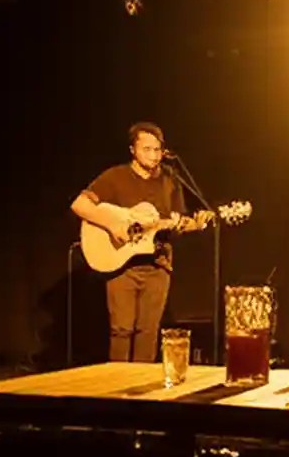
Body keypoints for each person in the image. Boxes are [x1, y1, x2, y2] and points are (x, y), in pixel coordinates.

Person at [70, 122, 207, 362]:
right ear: (133, 149)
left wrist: (193, 223)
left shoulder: (170, 181)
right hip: (122, 264)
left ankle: (141, 392)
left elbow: (175, 222)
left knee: (149, 332)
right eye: (146, 149)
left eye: (157, 150)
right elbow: (79, 205)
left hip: (158, 263)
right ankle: (117, 392)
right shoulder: (116, 177)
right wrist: (114, 224)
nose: (153, 155)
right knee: (121, 329)